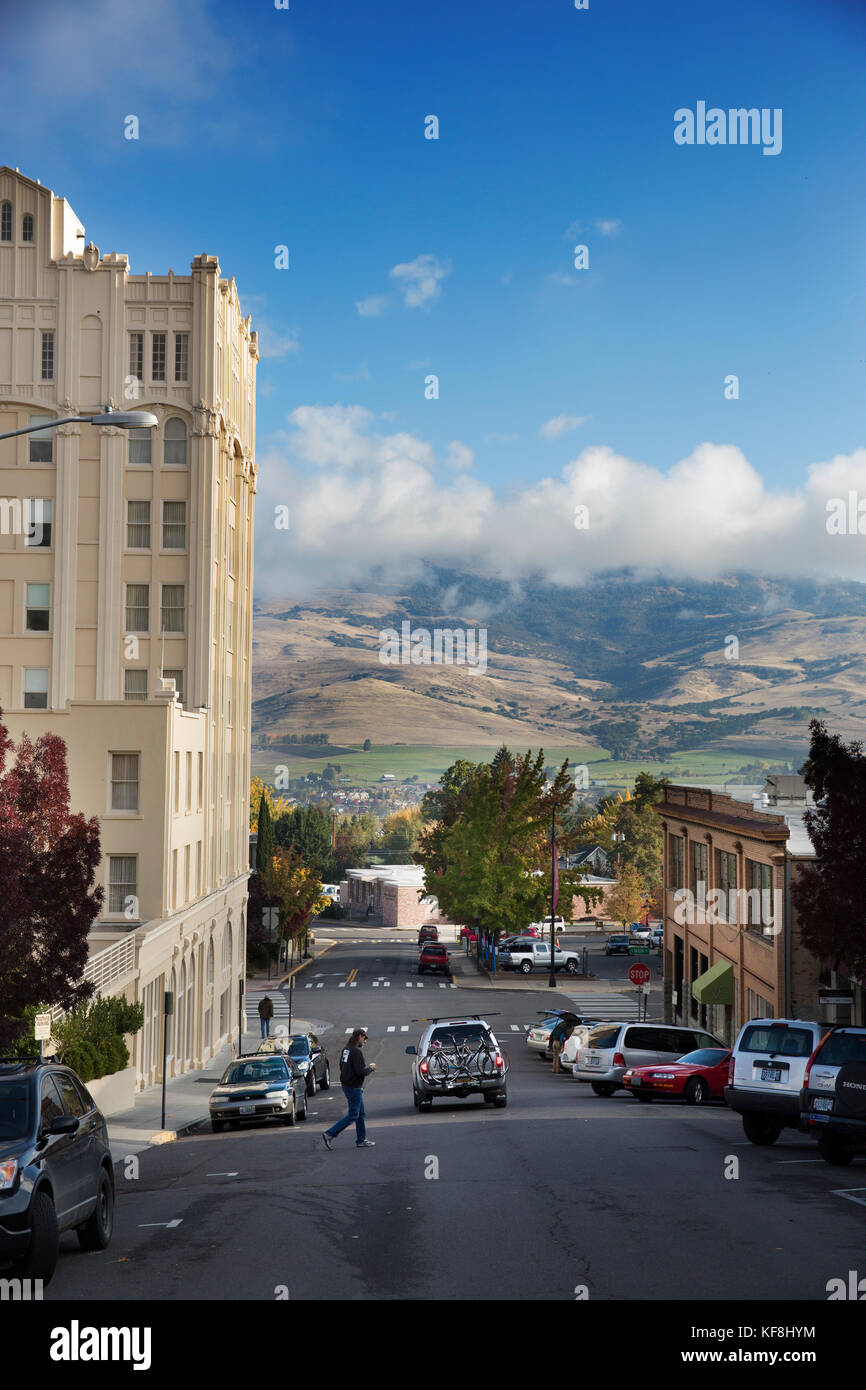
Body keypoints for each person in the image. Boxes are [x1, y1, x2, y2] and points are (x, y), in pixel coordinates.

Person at [322, 1028, 376, 1149]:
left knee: (361, 1114)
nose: (365, 1041)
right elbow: (360, 1071)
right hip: (353, 1086)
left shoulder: (346, 1049)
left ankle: (361, 1140)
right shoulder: (356, 1052)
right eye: (364, 1038)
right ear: (359, 1037)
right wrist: (370, 1069)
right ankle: (329, 1134)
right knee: (353, 1115)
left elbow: (342, 1066)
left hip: (347, 1084)